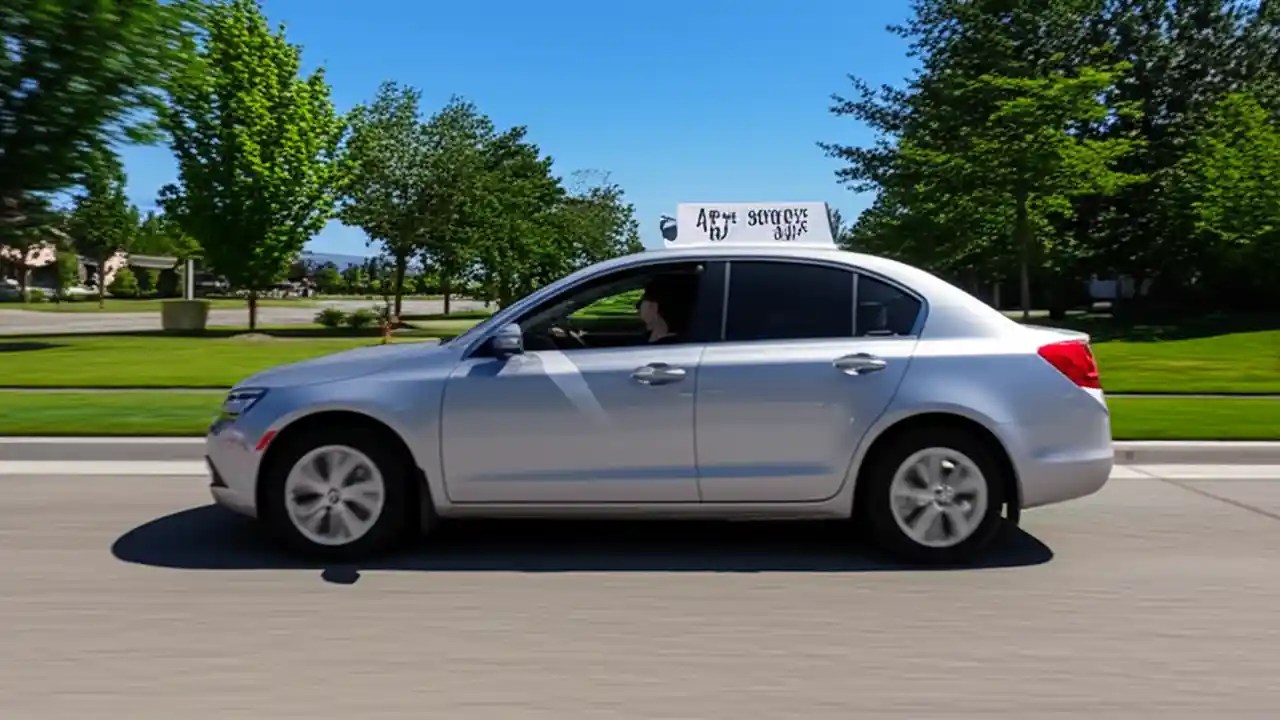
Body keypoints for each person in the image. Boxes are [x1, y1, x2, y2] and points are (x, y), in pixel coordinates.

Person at [637, 274, 696, 344]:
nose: (637, 305)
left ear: (653, 306)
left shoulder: (660, 348)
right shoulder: (683, 342)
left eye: (644, 298)